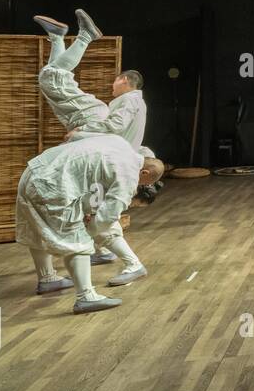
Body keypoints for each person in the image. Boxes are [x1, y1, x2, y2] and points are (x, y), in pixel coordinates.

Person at [32, 10, 155, 280]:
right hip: (102, 151)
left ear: (124, 81)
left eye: (115, 81)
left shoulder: (131, 99)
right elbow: (134, 144)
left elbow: (114, 126)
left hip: (98, 137)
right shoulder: (132, 109)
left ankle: (84, 36)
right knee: (52, 78)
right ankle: (56, 38)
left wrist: (81, 132)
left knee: (52, 77)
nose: (112, 86)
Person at [16, 134, 165, 313]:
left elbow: (76, 137)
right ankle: (86, 297)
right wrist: (91, 228)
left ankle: (48, 278)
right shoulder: (129, 175)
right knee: (78, 239)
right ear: (144, 173)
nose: (140, 187)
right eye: (145, 184)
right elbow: (107, 217)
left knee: (38, 227)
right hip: (53, 184)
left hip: (35, 170)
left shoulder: (119, 142)